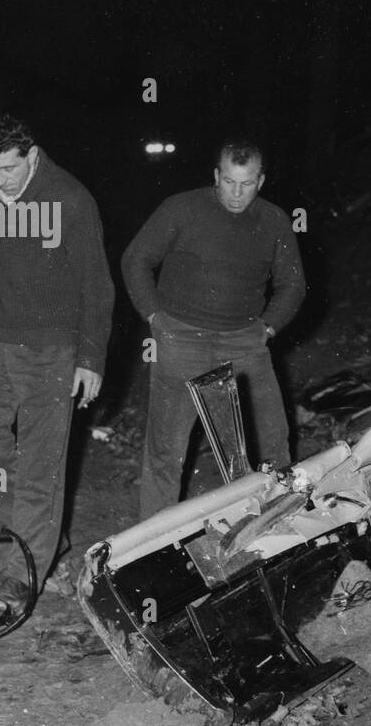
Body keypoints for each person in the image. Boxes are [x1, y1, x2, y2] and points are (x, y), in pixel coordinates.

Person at [0, 114, 114, 590]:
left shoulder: (70, 198)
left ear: (32, 154)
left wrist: (90, 358)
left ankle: (25, 569)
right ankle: (42, 530)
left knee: (42, 462)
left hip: (52, 346)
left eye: (8, 168)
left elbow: (96, 285)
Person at [122, 137, 305, 520]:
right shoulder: (181, 208)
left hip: (244, 343)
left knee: (273, 438)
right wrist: (155, 317)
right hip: (181, 338)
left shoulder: (273, 220)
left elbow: (293, 285)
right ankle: (154, 541)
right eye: (229, 182)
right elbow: (136, 260)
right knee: (166, 449)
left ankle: (278, 523)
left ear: (261, 181)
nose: (237, 194)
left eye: (247, 183)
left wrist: (268, 328)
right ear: (216, 176)